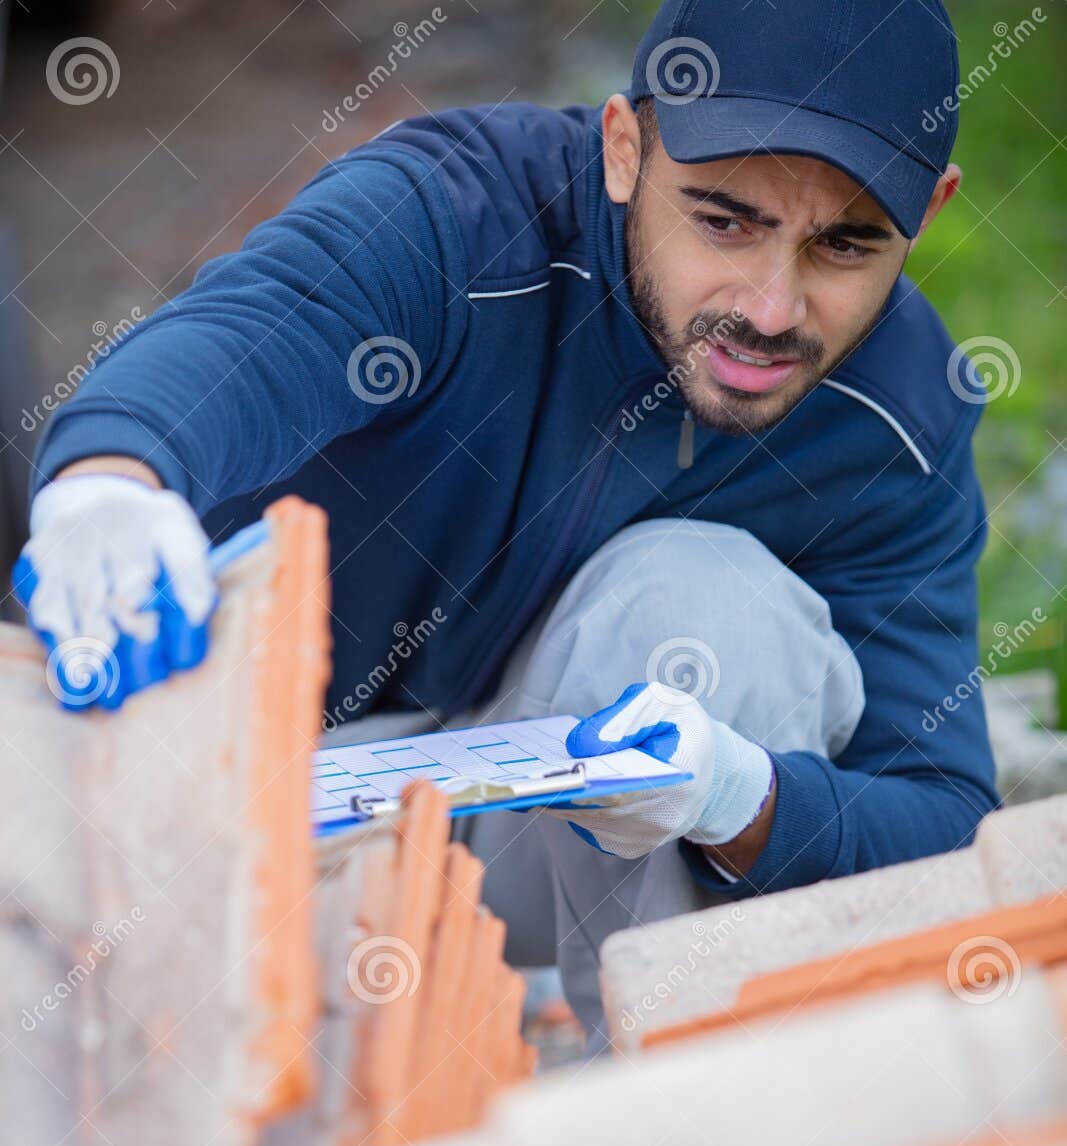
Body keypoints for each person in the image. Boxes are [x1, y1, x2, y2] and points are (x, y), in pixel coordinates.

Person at [15, 0, 998, 1034]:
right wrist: (108, 484)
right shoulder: (457, 212)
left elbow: (940, 819)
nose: (767, 309)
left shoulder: (896, 420)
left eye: (843, 247)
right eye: (722, 221)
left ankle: (661, 1124)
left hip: (526, 832)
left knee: (706, 606)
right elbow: (248, 334)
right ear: (624, 148)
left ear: (925, 212)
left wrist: (736, 798)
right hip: (224, 817)